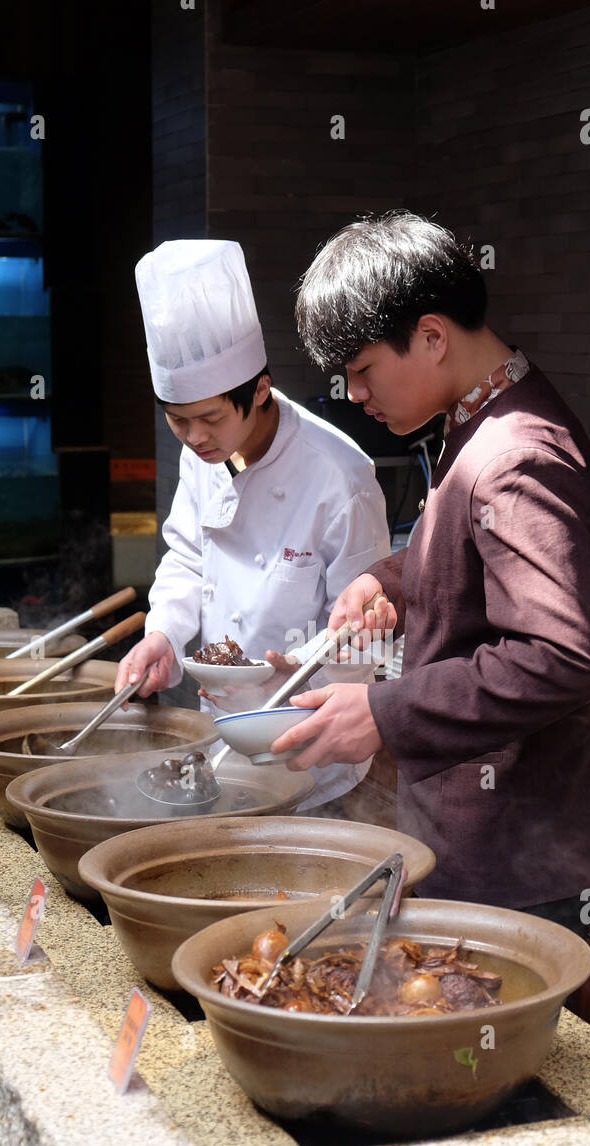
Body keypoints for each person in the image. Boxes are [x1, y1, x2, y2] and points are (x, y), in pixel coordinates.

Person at [272, 211, 590, 934]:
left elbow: (560, 657)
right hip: (491, 846)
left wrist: (382, 712)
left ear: (432, 337)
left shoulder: (514, 455)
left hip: (517, 862)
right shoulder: (482, 420)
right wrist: (390, 581)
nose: (354, 396)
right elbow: (474, 546)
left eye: (363, 369)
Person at [116, 239, 391, 811]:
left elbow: (365, 631)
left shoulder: (341, 475)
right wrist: (163, 633)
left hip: (314, 754)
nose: (194, 439)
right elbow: (188, 556)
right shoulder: (204, 457)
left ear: (260, 390)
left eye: (209, 418)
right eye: (177, 422)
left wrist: (297, 674)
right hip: (217, 739)